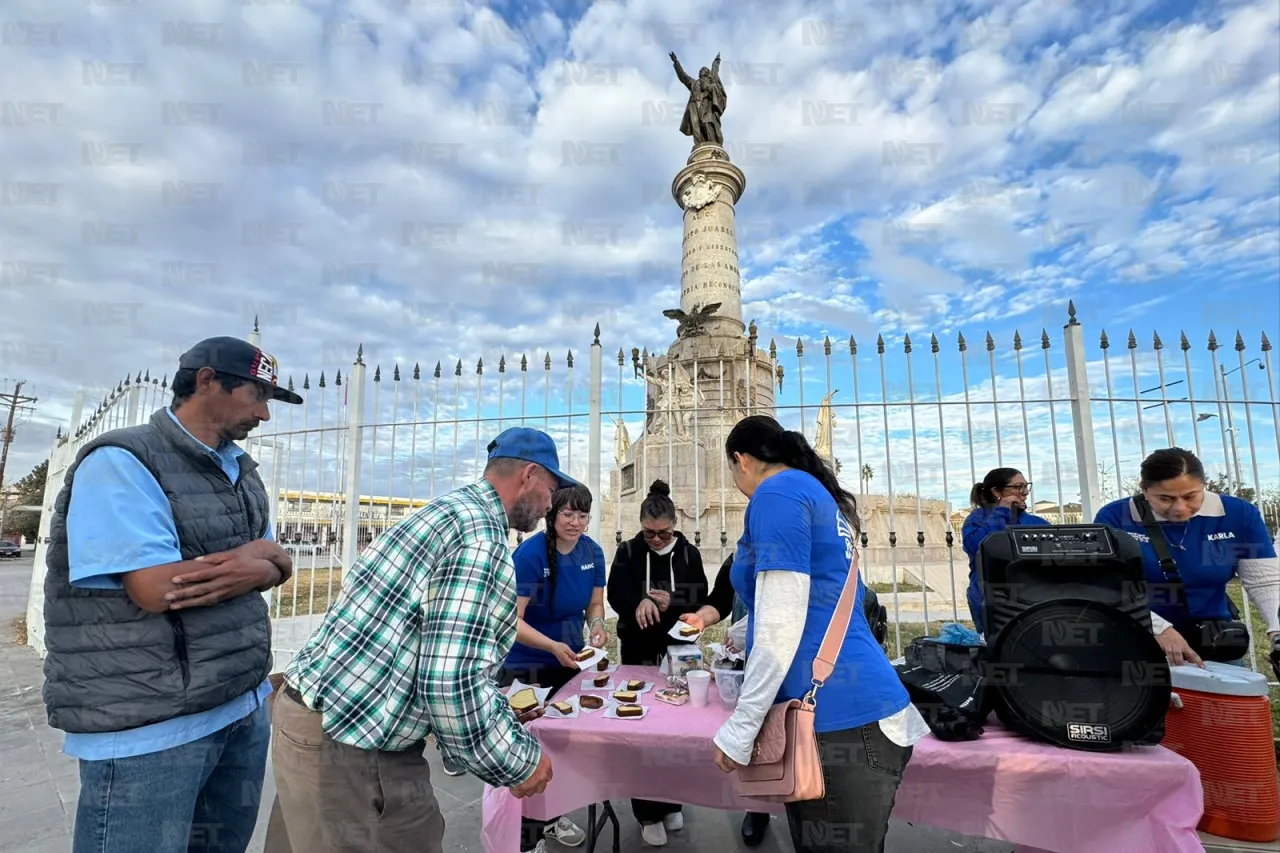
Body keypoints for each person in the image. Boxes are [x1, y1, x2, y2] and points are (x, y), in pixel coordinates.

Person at [41, 336, 300, 853]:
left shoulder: (241, 473)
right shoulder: (123, 460)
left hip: (239, 707)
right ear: (207, 381)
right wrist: (262, 563)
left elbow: (277, 559)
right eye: (257, 395)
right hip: (150, 729)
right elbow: (158, 588)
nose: (265, 415)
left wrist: (264, 567)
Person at [268, 427, 575, 853]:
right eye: (551, 488)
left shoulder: (447, 512)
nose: (549, 504)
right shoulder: (479, 539)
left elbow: (417, 640)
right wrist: (517, 762)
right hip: (353, 743)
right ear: (528, 475)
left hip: (313, 719)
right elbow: (448, 681)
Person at [713, 415, 929, 853]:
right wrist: (743, 630)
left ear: (740, 460)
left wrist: (741, 729)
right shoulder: (814, 494)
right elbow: (819, 600)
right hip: (849, 717)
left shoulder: (777, 493)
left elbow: (781, 619)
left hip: (838, 721)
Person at [1094, 447, 1279, 667]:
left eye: (1191, 496)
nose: (1180, 508)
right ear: (1144, 489)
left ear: (1205, 485)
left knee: (1222, 700)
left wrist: (1277, 631)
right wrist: (1157, 628)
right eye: (1165, 498)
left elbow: (1264, 581)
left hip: (1213, 637)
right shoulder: (1114, 517)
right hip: (1137, 634)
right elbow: (1105, 586)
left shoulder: (1239, 514)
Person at [500, 483, 606, 850]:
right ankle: (524, 835)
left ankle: (553, 816)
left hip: (570, 662)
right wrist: (550, 645)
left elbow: (594, 605)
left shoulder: (593, 552)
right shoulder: (529, 556)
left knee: (563, 747)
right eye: (567, 513)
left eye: (582, 514)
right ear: (552, 515)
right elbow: (512, 620)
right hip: (526, 665)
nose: (575, 522)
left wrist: (597, 628)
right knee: (526, 753)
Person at [606, 479, 707, 846]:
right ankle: (646, 810)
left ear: (674, 524)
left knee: (675, 730)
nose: (656, 540)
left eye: (663, 533)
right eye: (649, 533)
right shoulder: (628, 551)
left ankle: (671, 801)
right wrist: (639, 602)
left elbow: (702, 598)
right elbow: (615, 591)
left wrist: (673, 601)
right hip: (637, 649)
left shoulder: (689, 553)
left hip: (678, 650)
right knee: (642, 730)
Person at [678, 554, 771, 847]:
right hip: (745, 663)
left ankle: (797, 804)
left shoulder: (792, 553)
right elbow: (719, 599)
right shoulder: (740, 557)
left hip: (786, 664)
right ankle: (757, 808)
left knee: (784, 736)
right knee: (754, 737)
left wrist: (747, 630)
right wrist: (702, 618)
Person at [961, 467, 1050, 635]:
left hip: (1033, 597)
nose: (1024, 493)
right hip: (990, 598)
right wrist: (1001, 511)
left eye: (1026, 486)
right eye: (1018, 487)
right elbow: (975, 546)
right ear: (997, 492)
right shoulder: (978, 519)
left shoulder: (1036, 522)